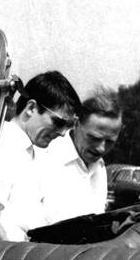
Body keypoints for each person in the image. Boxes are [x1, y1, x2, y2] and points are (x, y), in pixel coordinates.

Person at [0, 71, 80, 239]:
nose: (63, 133)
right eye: (58, 122)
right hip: (5, 254)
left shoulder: (26, 151)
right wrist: (12, 251)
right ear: (31, 108)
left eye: (69, 125)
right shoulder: (4, 145)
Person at [37, 86, 123, 224]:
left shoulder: (100, 168)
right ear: (76, 124)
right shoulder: (44, 157)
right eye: (94, 138)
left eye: (110, 142)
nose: (101, 149)